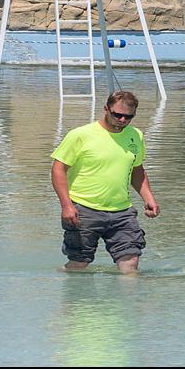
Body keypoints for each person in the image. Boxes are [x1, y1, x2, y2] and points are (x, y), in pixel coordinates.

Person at [51, 90, 159, 273]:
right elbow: (58, 169)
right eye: (117, 115)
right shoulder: (80, 135)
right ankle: (61, 288)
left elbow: (137, 169)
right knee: (80, 264)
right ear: (106, 109)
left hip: (122, 212)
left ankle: (131, 301)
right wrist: (66, 205)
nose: (122, 120)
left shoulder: (136, 136)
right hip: (84, 209)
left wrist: (149, 198)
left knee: (130, 263)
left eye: (128, 117)